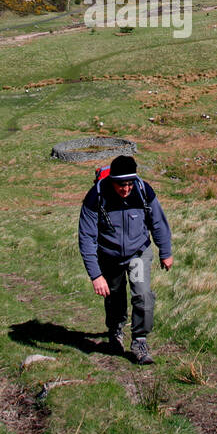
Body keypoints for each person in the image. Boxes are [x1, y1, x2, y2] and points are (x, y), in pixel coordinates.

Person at [78, 155, 172, 365]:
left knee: (143, 295)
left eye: (130, 183)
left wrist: (165, 252)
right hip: (109, 256)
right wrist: (96, 275)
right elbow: (86, 237)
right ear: (112, 181)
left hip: (138, 253)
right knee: (114, 296)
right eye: (122, 184)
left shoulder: (143, 190)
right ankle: (115, 330)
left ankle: (140, 340)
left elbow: (158, 221)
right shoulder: (96, 196)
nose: (126, 189)